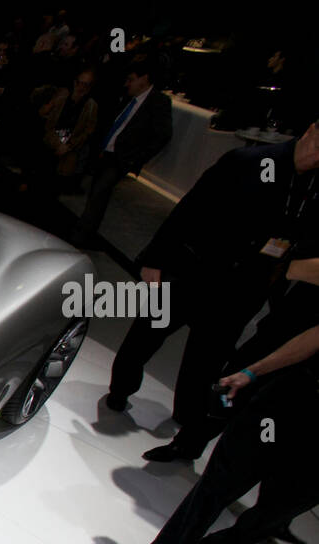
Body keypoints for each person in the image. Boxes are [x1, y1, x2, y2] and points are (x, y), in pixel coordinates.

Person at [107, 116, 319, 432]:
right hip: (192, 271)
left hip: (242, 289)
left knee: (205, 361)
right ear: (311, 129)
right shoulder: (253, 161)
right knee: (146, 335)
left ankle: (185, 416)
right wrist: (155, 259)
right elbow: (190, 208)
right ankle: (120, 390)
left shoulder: (313, 189)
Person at [111, 323, 319, 544]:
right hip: (291, 403)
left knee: (274, 510)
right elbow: (314, 337)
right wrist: (253, 372)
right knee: (216, 485)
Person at [69, 55, 171, 247]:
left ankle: (79, 236)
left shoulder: (159, 102)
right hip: (105, 151)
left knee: (99, 193)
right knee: (96, 195)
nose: (128, 83)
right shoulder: (127, 98)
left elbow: (163, 135)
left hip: (121, 157)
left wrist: (137, 159)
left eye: (131, 79)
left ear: (144, 78)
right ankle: (86, 233)